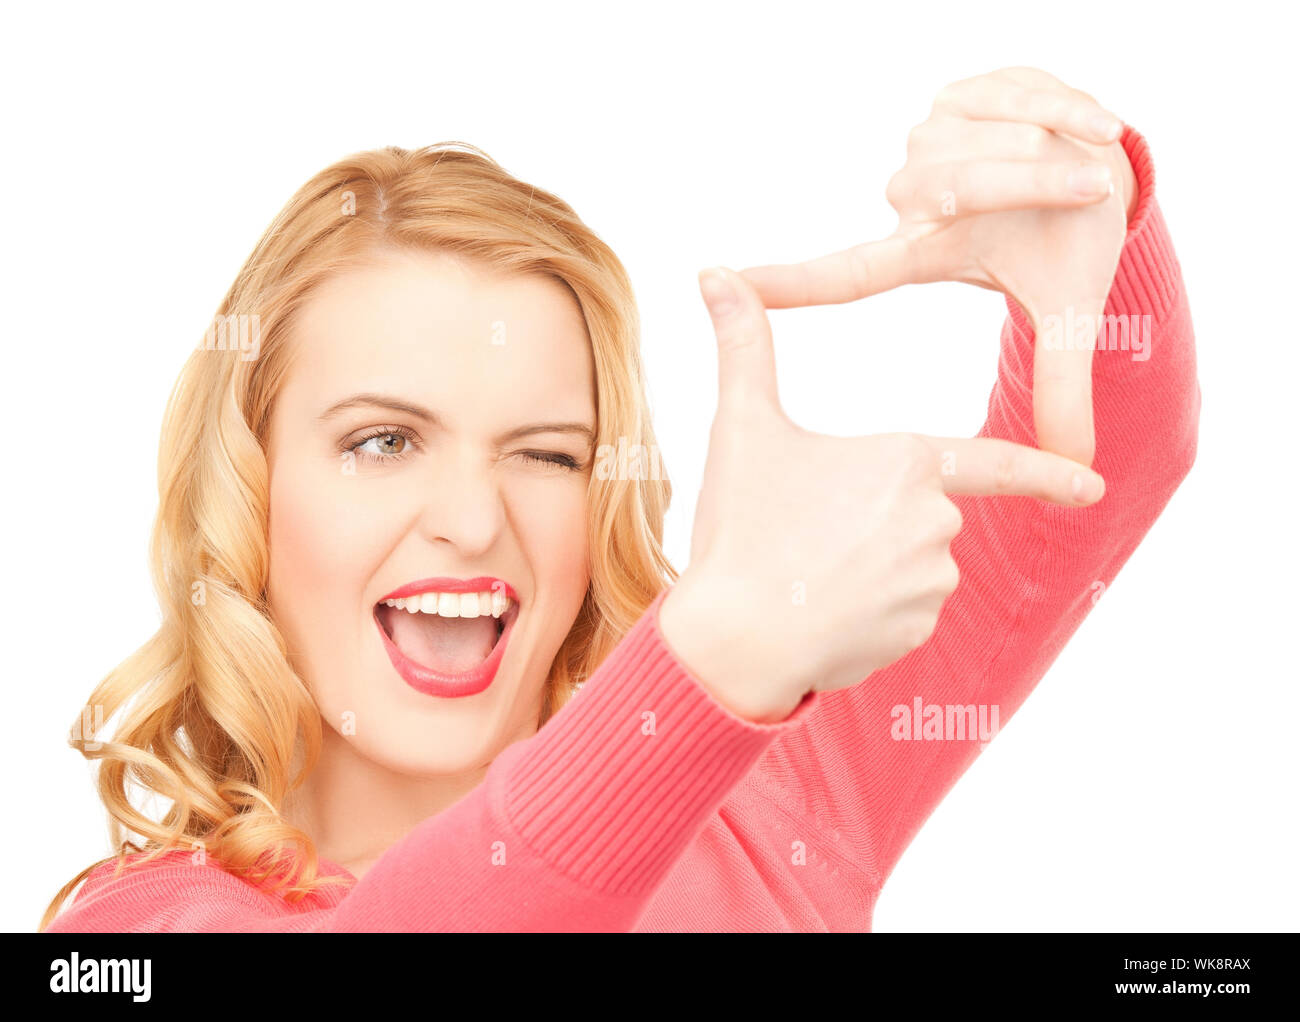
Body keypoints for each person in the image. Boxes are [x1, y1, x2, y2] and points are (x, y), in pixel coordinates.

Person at [41, 66, 1198, 932]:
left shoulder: (772, 799)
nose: (470, 517)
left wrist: (1079, 227)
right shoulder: (134, 930)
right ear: (249, 493)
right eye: (382, 439)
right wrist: (701, 666)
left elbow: (1091, 474)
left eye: (545, 454)